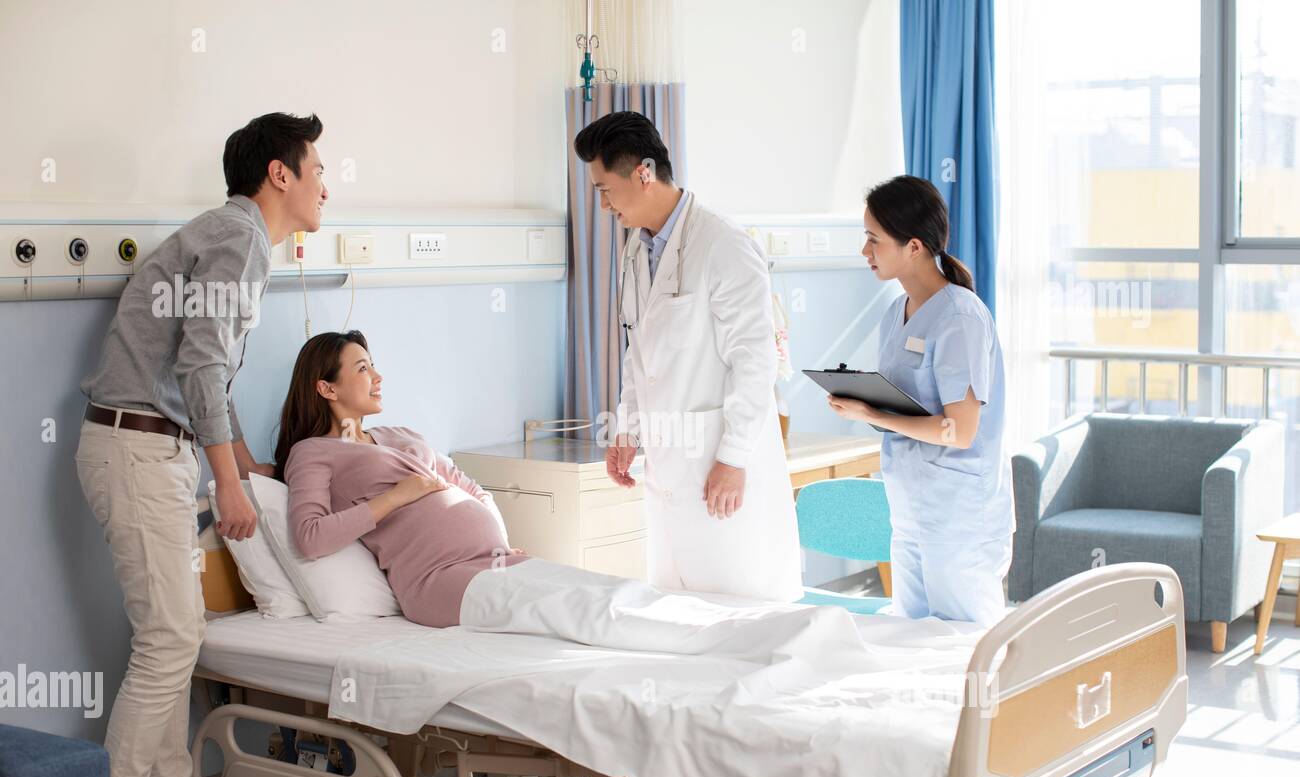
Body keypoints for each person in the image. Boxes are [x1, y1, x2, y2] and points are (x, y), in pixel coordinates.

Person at [75, 112, 328, 777]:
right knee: (168, 644)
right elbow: (201, 367)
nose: (326, 187)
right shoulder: (239, 239)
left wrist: (243, 460)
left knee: (174, 644)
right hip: (138, 449)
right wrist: (230, 486)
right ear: (278, 174)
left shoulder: (231, 239)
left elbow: (206, 374)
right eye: (317, 170)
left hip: (153, 446)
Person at [277, 331, 856, 659]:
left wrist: (490, 523)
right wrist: (396, 498)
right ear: (326, 388)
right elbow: (309, 538)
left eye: (374, 364)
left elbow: (465, 484)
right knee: (589, 611)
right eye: (361, 369)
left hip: (495, 561)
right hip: (439, 584)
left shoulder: (400, 435)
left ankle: (767, 629)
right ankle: (748, 643)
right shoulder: (314, 454)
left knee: (606, 591)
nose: (377, 377)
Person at [574, 111, 802, 603]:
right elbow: (640, 350)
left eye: (605, 190)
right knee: (678, 615)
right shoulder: (638, 249)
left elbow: (755, 361)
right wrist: (627, 428)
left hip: (718, 461)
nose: (604, 205)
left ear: (643, 173)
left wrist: (734, 457)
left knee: (738, 614)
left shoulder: (724, 245)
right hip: (669, 463)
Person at [829, 175, 1013, 626]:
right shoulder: (897, 312)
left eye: (873, 239)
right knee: (910, 637)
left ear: (913, 246)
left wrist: (872, 412)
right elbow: (904, 408)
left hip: (958, 512)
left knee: (963, 642)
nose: (864, 251)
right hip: (910, 505)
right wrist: (865, 403)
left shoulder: (960, 317)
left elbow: (960, 430)